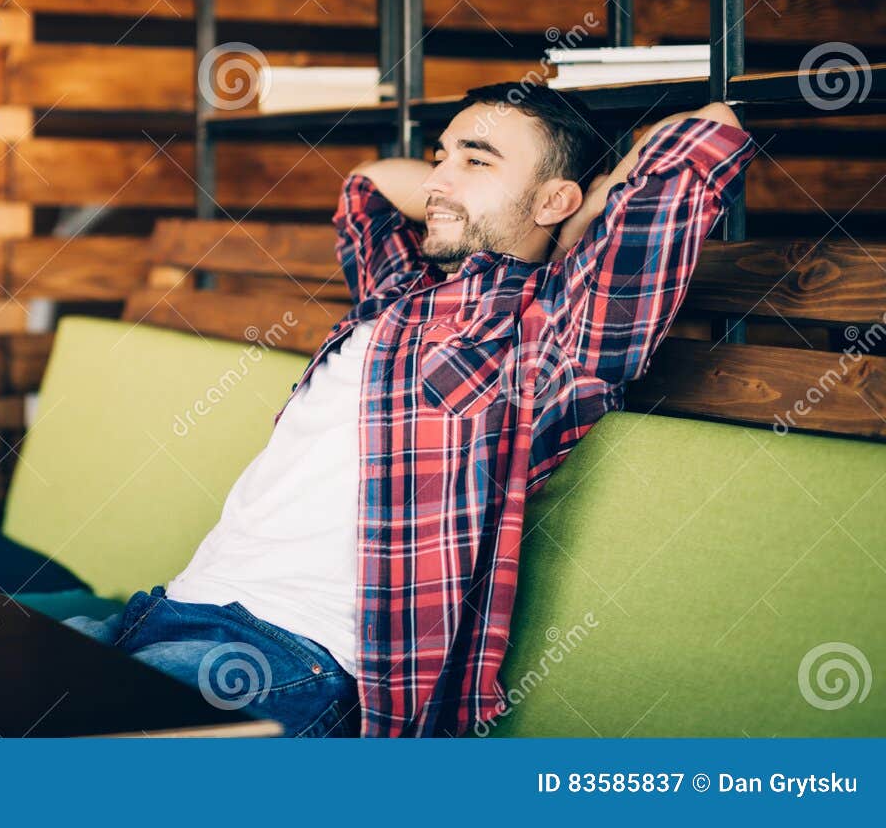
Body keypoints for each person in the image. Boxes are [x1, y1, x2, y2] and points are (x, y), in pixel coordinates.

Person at [65, 82, 757, 737]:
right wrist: (484, 186)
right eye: (439, 157)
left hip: (289, 658)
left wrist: (584, 207)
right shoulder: (398, 293)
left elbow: (709, 131)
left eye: (476, 160)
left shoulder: (552, 335)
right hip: (162, 612)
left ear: (555, 199)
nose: (435, 182)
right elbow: (364, 185)